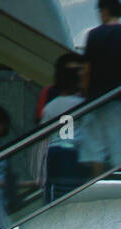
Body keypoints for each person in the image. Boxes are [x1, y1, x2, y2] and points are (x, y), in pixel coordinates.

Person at [79, 0, 121, 178]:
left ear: (105, 11)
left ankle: (97, 186)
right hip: (120, 99)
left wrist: (85, 96)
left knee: (95, 149)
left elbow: (86, 70)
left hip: (95, 101)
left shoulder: (93, 35)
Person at [41, 61, 85, 202]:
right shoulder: (80, 103)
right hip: (73, 151)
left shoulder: (49, 107)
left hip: (53, 150)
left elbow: (44, 132)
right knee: (72, 190)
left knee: (54, 188)